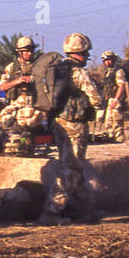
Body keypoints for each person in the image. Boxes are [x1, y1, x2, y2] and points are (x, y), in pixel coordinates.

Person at [38, 33, 105, 226]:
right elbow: (96, 97)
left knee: (76, 168)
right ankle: (51, 211)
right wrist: (100, 110)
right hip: (75, 125)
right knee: (70, 169)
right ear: (82, 53)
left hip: (59, 123)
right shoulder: (78, 72)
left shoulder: (57, 70)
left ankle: (86, 210)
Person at [100, 51, 129, 143]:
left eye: (109, 60)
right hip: (109, 100)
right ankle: (111, 140)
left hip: (116, 100)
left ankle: (120, 141)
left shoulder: (118, 71)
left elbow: (121, 86)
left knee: (117, 123)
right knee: (108, 123)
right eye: (106, 60)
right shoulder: (108, 72)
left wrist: (116, 100)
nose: (107, 62)